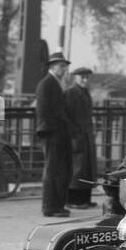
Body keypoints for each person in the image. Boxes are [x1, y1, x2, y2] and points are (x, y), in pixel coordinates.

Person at [34, 51, 73, 217]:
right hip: (52, 132)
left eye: (64, 66)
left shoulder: (55, 83)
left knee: (58, 169)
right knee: (52, 170)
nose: (63, 69)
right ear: (52, 66)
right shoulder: (46, 84)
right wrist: (56, 128)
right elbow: (43, 110)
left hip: (57, 131)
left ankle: (57, 205)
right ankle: (50, 206)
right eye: (60, 66)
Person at [65, 65, 97, 209]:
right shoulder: (71, 93)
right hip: (77, 135)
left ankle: (85, 198)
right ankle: (74, 200)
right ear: (75, 78)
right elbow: (67, 116)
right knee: (77, 169)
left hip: (86, 135)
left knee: (87, 168)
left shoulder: (84, 92)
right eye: (82, 77)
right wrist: (74, 133)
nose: (85, 80)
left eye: (86, 77)